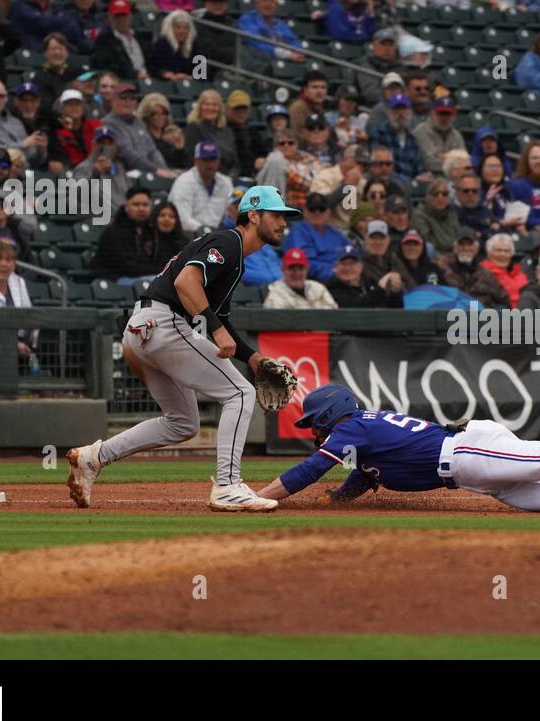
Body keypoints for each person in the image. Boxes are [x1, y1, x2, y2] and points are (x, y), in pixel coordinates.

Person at [65, 185, 303, 513]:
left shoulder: (234, 259)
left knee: (182, 422)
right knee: (241, 394)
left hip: (142, 329)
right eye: (276, 215)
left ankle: (94, 458)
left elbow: (217, 315)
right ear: (253, 215)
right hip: (163, 323)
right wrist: (217, 332)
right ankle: (228, 485)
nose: (282, 223)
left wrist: (253, 358)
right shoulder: (228, 242)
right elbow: (185, 283)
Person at [254, 383, 540, 514]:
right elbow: (359, 476)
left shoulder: (351, 426)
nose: (314, 431)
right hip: (473, 468)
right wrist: (337, 501)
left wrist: (258, 497)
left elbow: (312, 468)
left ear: (333, 412)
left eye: (315, 422)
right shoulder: (362, 436)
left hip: (467, 455)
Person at [102, 83, 176, 177]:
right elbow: (128, 153)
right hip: (123, 174)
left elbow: (152, 151)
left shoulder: (138, 122)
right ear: (113, 100)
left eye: (132, 98)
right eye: (123, 97)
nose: (128, 101)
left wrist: (164, 169)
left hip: (146, 171)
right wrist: (156, 170)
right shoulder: (108, 124)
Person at [94, 185, 164, 283]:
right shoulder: (114, 232)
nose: (141, 209)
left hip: (145, 276)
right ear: (126, 207)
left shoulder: (152, 230)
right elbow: (127, 267)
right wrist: (161, 270)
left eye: (145, 205)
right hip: (116, 279)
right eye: (136, 204)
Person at [169, 141, 235, 232]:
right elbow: (183, 220)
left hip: (218, 236)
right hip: (190, 236)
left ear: (219, 161)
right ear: (196, 161)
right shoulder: (184, 182)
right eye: (205, 160)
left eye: (213, 159)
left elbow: (231, 214)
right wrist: (208, 231)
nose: (210, 164)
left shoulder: (226, 182)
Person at [438, 229, 508, 307]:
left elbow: (503, 298)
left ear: (477, 248)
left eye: (470, 244)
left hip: (482, 315)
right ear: (454, 247)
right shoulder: (442, 268)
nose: (466, 248)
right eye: (461, 244)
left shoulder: (486, 274)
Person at [237, 0, 307, 75]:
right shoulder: (247, 19)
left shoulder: (280, 24)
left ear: (277, 6)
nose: (268, 4)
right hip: (257, 60)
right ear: (256, 4)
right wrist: (287, 54)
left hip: (279, 62)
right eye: (264, 1)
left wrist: (298, 52)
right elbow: (256, 43)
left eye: (272, 1)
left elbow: (293, 41)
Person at [367, 94, 423, 183]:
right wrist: (410, 181)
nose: (400, 113)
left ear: (410, 112)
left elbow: (418, 169)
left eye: (404, 109)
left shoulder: (412, 139)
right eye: (396, 109)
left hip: (410, 187)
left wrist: (421, 178)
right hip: (385, 184)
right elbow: (378, 167)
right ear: (389, 112)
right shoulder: (378, 133)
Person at [326, 244, 403, 308]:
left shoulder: (369, 283)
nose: (347, 268)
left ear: (361, 267)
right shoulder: (332, 287)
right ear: (335, 267)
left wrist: (395, 292)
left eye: (352, 264)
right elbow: (356, 308)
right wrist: (380, 289)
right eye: (343, 264)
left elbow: (394, 311)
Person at [183, 89, 238, 177]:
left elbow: (235, 163)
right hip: (204, 178)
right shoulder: (193, 128)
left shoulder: (227, 131)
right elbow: (192, 161)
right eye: (207, 104)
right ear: (200, 107)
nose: (211, 108)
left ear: (220, 108)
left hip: (228, 179)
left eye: (214, 105)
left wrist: (230, 178)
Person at [264, 246, 338, 309]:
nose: (297, 273)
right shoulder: (275, 296)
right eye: (291, 268)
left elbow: (334, 315)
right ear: (283, 270)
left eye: (301, 268)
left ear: (307, 269)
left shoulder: (318, 288)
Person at [91, 0, 148, 81]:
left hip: (149, 79)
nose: (121, 19)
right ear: (109, 17)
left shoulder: (141, 37)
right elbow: (109, 67)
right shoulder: (104, 39)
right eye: (117, 16)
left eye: (124, 15)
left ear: (130, 16)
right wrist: (136, 75)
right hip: (124, 81)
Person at [47, 89, 100, 173]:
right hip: (71, 172)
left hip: (96, 168)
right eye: (70, 104)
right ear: (62, 108)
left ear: (83, 108)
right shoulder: (56, 132)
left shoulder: (95, 126)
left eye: (78, 104)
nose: (74, 107)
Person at [412, 97, 465, 175]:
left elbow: (464, 162)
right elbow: (430, 163)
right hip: (428, 177)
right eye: (441, 113)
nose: (444, 118)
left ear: (454, 115)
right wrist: (453, 160)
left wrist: (442, 156)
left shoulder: (456, 135)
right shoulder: (421, 131)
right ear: (432, 113)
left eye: (448, 114)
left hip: (453, 178)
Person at [349, 28, 401, 106]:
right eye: (383, 44)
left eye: (390, 45)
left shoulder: (400, 66)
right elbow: (371, 94)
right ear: (374, 46)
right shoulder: (366, 64)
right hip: (373, 109)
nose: (387, 48)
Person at [358, 218, 413, 293]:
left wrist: (400, 286)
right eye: (373, 238)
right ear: (365, 239)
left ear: (388, 240)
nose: (377, 242)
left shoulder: (393, 258)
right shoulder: (358, 261)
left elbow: (411, 285)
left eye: (382, 238)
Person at [411, 178, 460, 254]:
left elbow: (458, 238)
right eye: (435, 194)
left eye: (444, 194)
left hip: (455, 255)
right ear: (428, 197)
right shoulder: (419, 215)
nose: (440, 197)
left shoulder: (452, 213)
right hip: (433, 256)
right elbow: (428, 243)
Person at [149, 9, 199, 80]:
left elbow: (202, 73)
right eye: (178, 27)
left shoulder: (194, 45)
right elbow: (152, 68)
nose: (182, 31)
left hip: (190, 84)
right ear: (171, 28)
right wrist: (164, 73)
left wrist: (190, 77)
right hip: (166, 83)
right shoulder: (162, 44)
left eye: (185, 28)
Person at [480, 232, 527, 307]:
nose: (503, 254)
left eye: (507, 251)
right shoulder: (481, 273)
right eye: (498, 250)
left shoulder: (520, 274)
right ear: (489, 253)